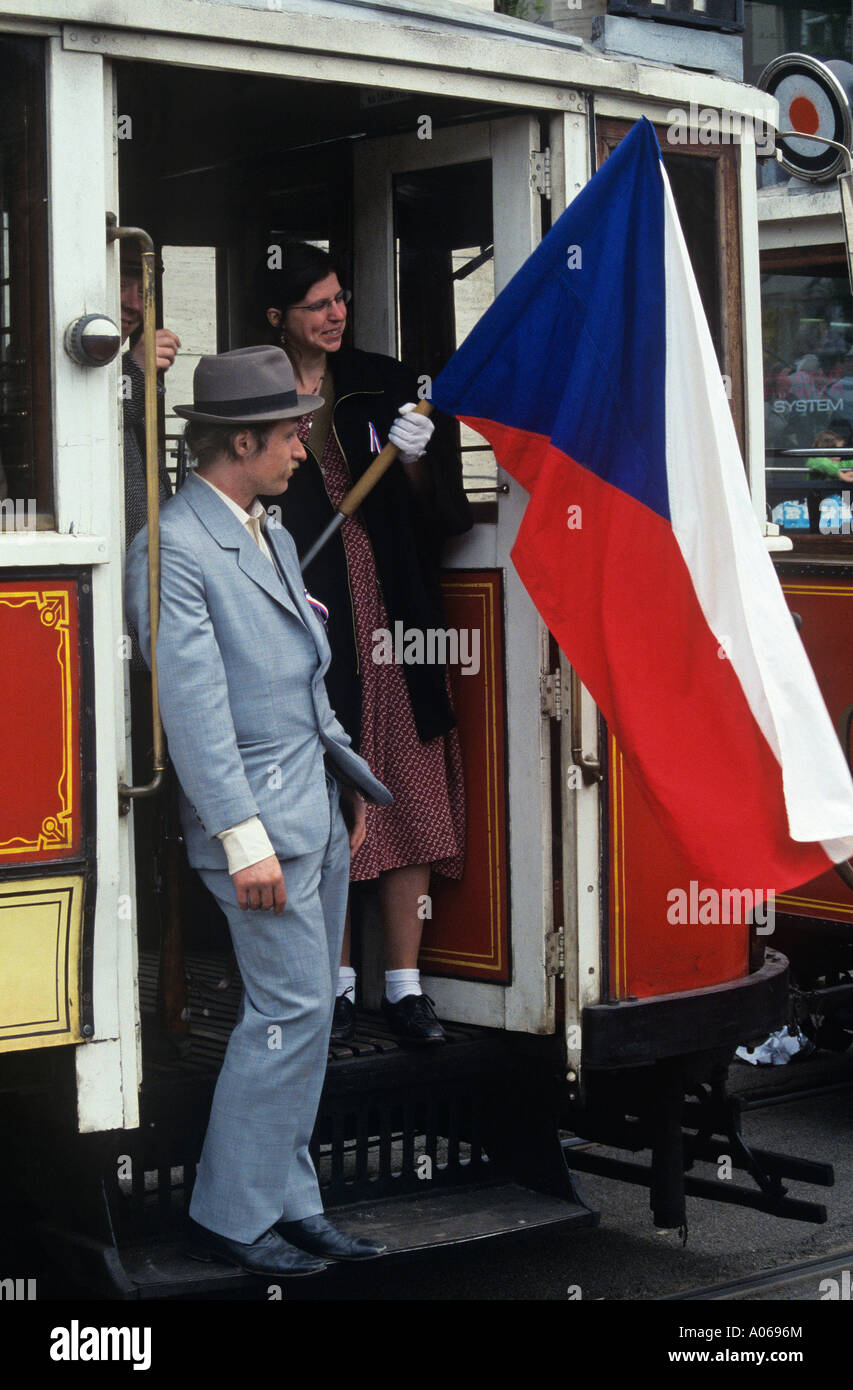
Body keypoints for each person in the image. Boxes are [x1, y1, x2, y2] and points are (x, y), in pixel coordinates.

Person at [125, 345, 393, 1276]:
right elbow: (196, 722)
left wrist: (348, 782)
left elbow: (308, 675)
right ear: (241, 440)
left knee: (309, 1013)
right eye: (288, 436)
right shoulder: (173, 549)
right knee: (286, 1009)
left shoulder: (265, 531)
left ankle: (291, 1198)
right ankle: (232, 1215)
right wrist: (244, 844)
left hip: (312, 810)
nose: (299, 453)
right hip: (255, 834)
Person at [258, 243, 472, 1045]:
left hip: (393, 613)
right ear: (277, 316)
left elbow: (444, 516)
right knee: (324, 798)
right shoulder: (257, 391)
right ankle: (335, 984)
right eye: (317, 304)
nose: (335, 313)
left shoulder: (384, 381)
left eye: (340, 297)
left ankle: (406, 987)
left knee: (404, 787)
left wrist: (415, 467)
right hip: (308, 617)